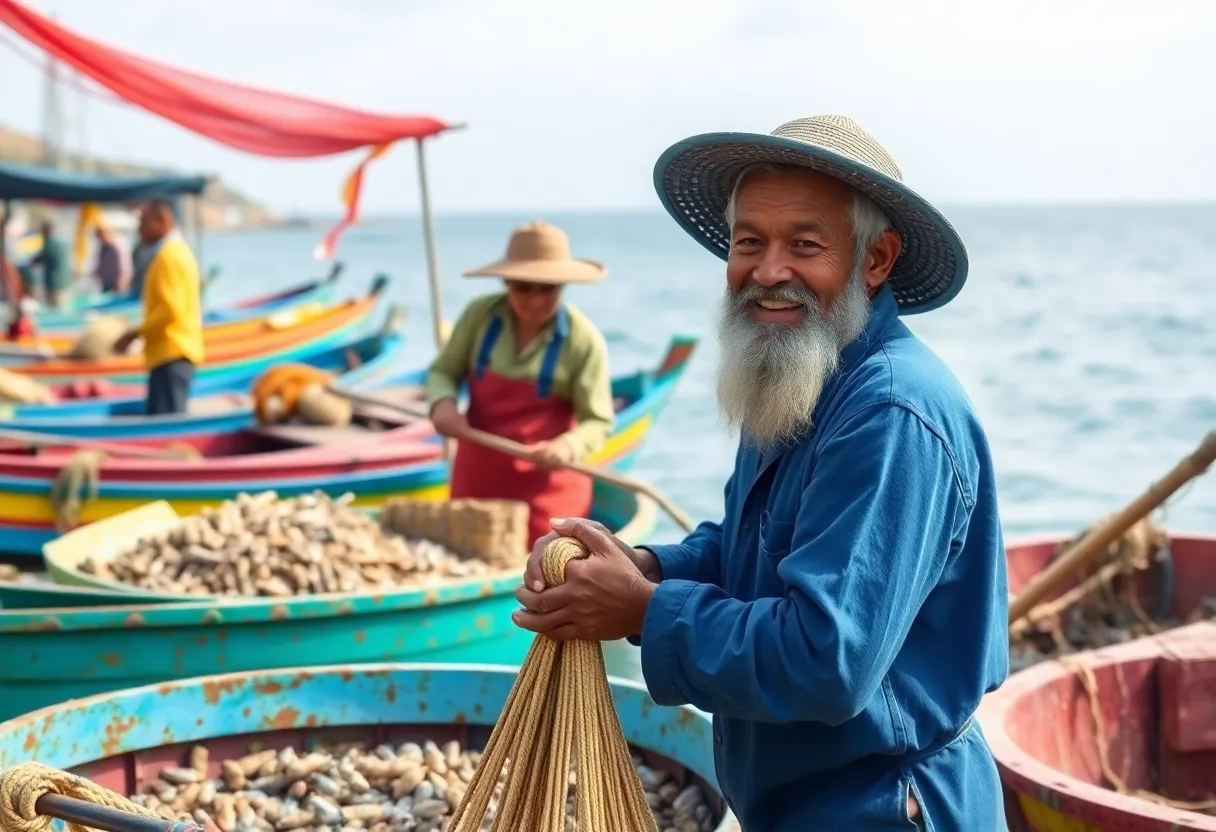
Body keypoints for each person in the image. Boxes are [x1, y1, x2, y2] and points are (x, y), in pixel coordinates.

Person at [512, 116, 1009, 831]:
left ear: (875, 260)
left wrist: (644, 611)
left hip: (883, 807)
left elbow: (826, 657)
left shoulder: (890, 411)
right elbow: (750, 549)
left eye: (804, 245)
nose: (769, 271)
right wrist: (646, 566)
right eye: (749, 242)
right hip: (795, 800)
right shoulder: (795, 367)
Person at [425, 219, 615, 544]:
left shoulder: (583, 340)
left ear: (563, 286)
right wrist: (443, 404)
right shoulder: (479, 316)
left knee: (548, 567)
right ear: (506, 282)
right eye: (523, 287)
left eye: (548, 289)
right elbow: (443, 371)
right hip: (477, 483)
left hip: (548, 496)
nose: (536, 300)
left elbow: (598, 422)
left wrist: (567, 446)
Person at [113, 198, 204, 416]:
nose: (140, 231)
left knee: (167, 424)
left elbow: (170, 310)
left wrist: (135, 333)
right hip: (169, 353)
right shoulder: (173, 253)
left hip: (171, 353)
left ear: (162, 222)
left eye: (143, 224)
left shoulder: (169, 257)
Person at [29, 220, 70, 308]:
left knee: (54, 308)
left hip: (54, 284)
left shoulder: (49, 242)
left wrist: (31, 261)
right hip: (62, 282)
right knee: (61, 307)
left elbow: (41, 258)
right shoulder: (60, 242)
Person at [91, 225, 128, 295]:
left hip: (115, 282)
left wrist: (122, 279)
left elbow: (123, 264)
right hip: (105, 282)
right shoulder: (102, 248)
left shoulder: (116, 247)